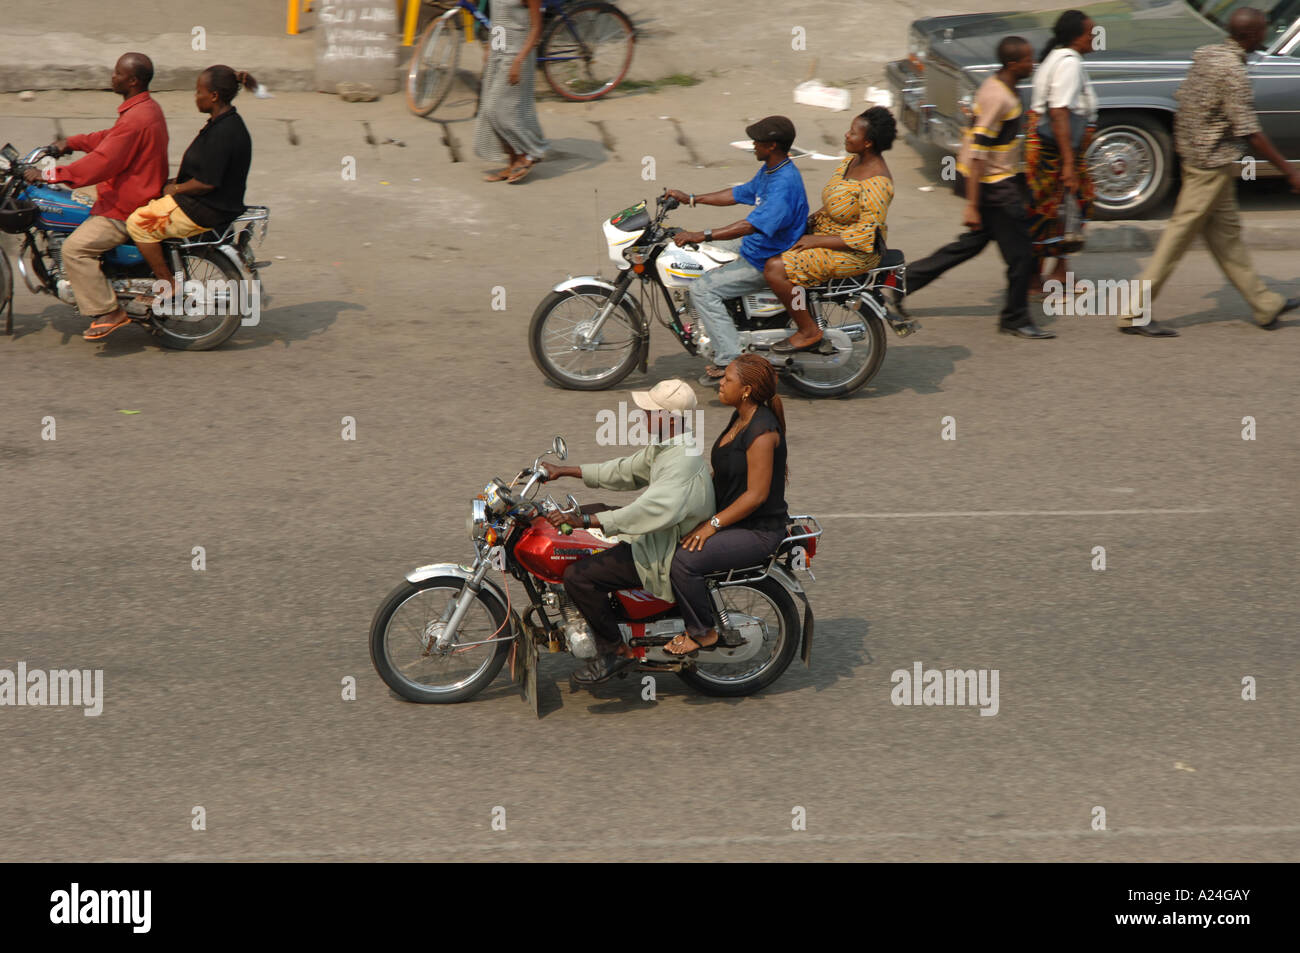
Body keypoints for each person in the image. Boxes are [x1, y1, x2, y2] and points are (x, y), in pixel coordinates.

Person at [1116, 6, 1300, 336]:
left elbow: (1183, 98)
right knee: (1177, 238)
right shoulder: (1232, 72)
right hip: (1209, 167)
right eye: (1262, 30)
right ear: (1249, 36)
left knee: (1227, 238)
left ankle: (1264, 304)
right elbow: (1250, 132)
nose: (1266, 34)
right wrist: (1289, 170)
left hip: (1200, 157)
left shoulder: (1207, 54)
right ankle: (1132, 312)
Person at [540, 379, 715, 687]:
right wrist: (564, 472)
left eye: (648, 411)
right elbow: (625, 471)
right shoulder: (669, 446)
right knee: (589, 515)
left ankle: (614, 649)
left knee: (578, 576)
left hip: (661, 550)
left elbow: (646, 512)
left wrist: (587, 520)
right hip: (658, 535)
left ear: (667, 416)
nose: (642, 416)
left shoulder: (682, 462)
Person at [889, 37, 1055, 340]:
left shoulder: (1000, 85)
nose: (1032, 64)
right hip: (992, 185)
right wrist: (973, 205)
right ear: (1013, 63)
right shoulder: (999, 96)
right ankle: (1015, 318)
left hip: (997, 180)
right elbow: (979, 150)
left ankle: (899, 284)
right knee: (1022, 255)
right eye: (1028, 59)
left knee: (968, 246)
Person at [22, 53, 167, 341]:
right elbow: (109, 138)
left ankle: (108, 311)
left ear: (133, 80)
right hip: (127, 190)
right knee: (68, 198)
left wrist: (48, 175)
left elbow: (102, 162)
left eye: (117, 73)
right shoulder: (144, 109)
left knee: (74, 249)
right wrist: (70, 143)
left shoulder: (137, 118)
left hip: (127, 205)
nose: (113, 77)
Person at [664, 116, 810, 386]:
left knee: (703, 289)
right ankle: (726, 324)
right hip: (756, 246)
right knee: (700, 254)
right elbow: (738, 193)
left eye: (758, 141)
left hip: (768, 257)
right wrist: (692, 199)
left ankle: (729, 358)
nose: (753, 145)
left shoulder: (784, 184)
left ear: (772, 145)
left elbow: (748, 226)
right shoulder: (771, 169)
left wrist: (700, 233)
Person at [666, 355, 789, 656]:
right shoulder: (741, 418)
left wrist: (711, 526)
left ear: (746, 390)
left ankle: (702, 632)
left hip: (756, 531)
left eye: (728, 379)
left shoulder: (762, 431)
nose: (720, 382)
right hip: (732, 520)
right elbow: (724, 473)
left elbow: (756, 495)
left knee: (684, 560)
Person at [763, 107, 896, 353]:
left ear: (868, 142)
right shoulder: (851, 161)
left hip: (854, 251)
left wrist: (815, 241)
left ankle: (808, 330)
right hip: (825, 234)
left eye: (853, 133)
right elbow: (835, 203)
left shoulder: (878, 182)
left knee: (775, 269)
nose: (846, 135)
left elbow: (867, 235)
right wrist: (805, 222)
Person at [127, 66, 255, 309]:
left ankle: (168, 284)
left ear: (214, 96)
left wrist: (176, 189)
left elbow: (207, 182)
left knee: (138, 224)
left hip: (204, 207)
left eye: (199, 92)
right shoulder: (226, 122)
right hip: (208, 201)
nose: (196, 97)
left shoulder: (224, 132)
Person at [1026, 10, 1098, 294]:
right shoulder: (1068, 63)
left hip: (1057, 149)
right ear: (1076, 37)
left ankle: (1059, 271)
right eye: (1090, 34)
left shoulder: (1060, 57)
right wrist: (1068, 164)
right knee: (1051, 209)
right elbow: (1058, 112)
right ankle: (1035, 279)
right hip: (1055, 152)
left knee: (1059, 208)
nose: (1094, 38)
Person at [474, 0, 548, 184]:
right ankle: (513, 162)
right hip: (498, 53)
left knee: (499, 110)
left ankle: (530, 153)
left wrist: (520, 60)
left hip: (515, 57)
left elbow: (536, 28)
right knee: (490, 112)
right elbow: (499, 20)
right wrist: (490, 46)